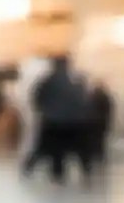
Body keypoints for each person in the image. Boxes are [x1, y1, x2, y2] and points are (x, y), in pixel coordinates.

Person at [28, 56, 93, 184]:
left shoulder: (47, 81)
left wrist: (44, 110)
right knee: (80, 149)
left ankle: (57, 173)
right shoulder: (75, 80)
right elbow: (83, 99)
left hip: (53, 121)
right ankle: (86, 171)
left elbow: (37, 97)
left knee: (51, 149)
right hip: (74, 121)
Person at [89, 80, 114, 167]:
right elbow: (109, 110)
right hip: (102, 121)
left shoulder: (92, 97)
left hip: (93, 122)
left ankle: (95, 154)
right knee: (101, 139)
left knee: (94, 139)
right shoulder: (105, 97)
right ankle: (100, 155)